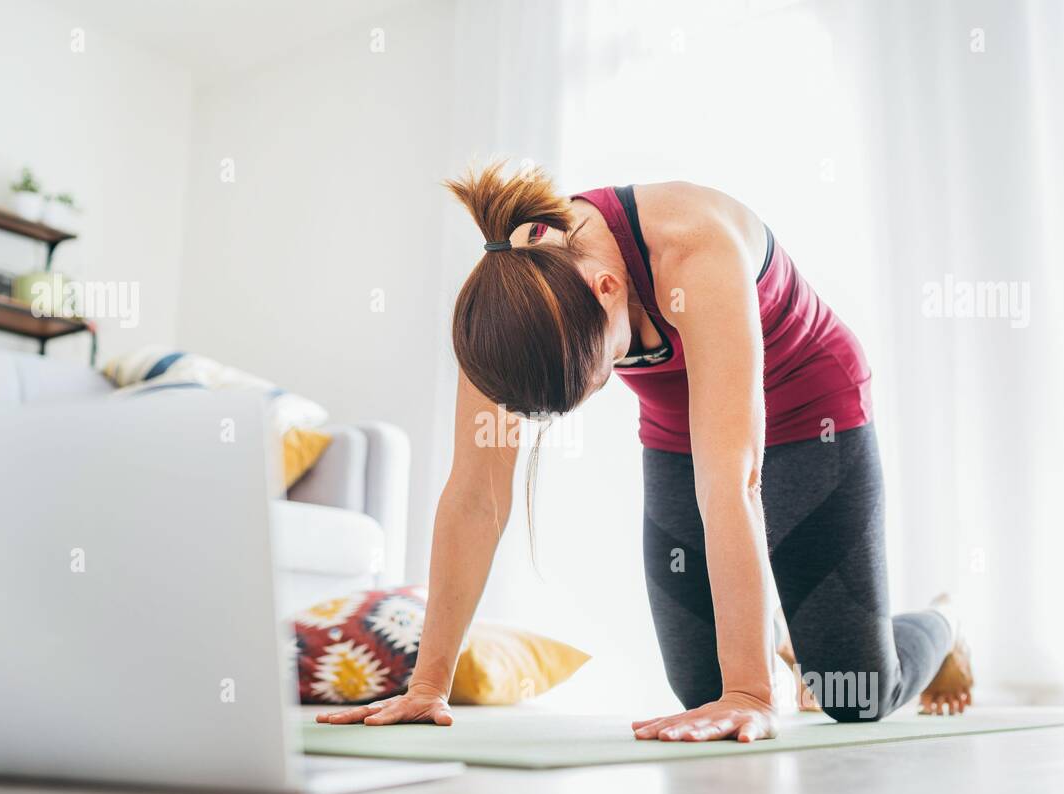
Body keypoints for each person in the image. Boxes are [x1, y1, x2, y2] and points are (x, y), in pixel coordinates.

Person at [319, 163, 973, 742]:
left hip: (812, 405)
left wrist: (751, 693)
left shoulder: (692, 247)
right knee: (700, 691)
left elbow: (734, 480)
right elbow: (476, 497)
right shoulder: (506, 304)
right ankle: (785, 631)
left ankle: (941, 624)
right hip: (681, 422)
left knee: (853, 692)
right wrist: (427, 684)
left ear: (607, 288)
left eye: (594, 378)